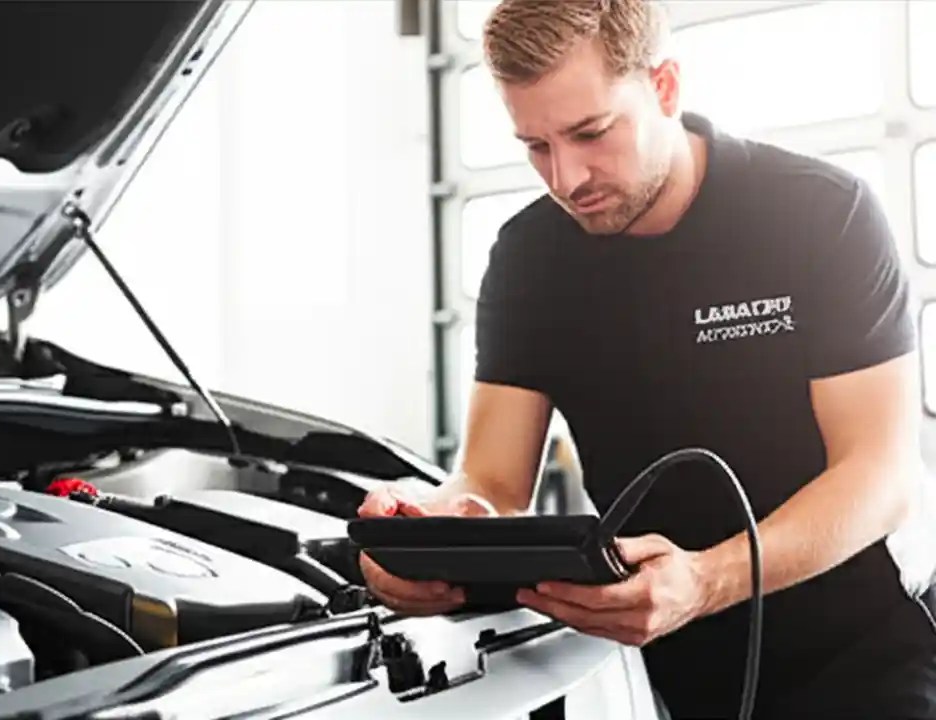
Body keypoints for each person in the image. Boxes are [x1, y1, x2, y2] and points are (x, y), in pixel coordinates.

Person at [357, 0, 936, 717]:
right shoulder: (528, 259)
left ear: (663, 86)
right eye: (535, 146)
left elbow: (883, 475)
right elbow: (492, 479)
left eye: (590, 133)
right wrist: (425, 531)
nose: (567, 178)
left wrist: (708, 578)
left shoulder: (820, 214)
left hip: (870, 661)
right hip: (684, 677)